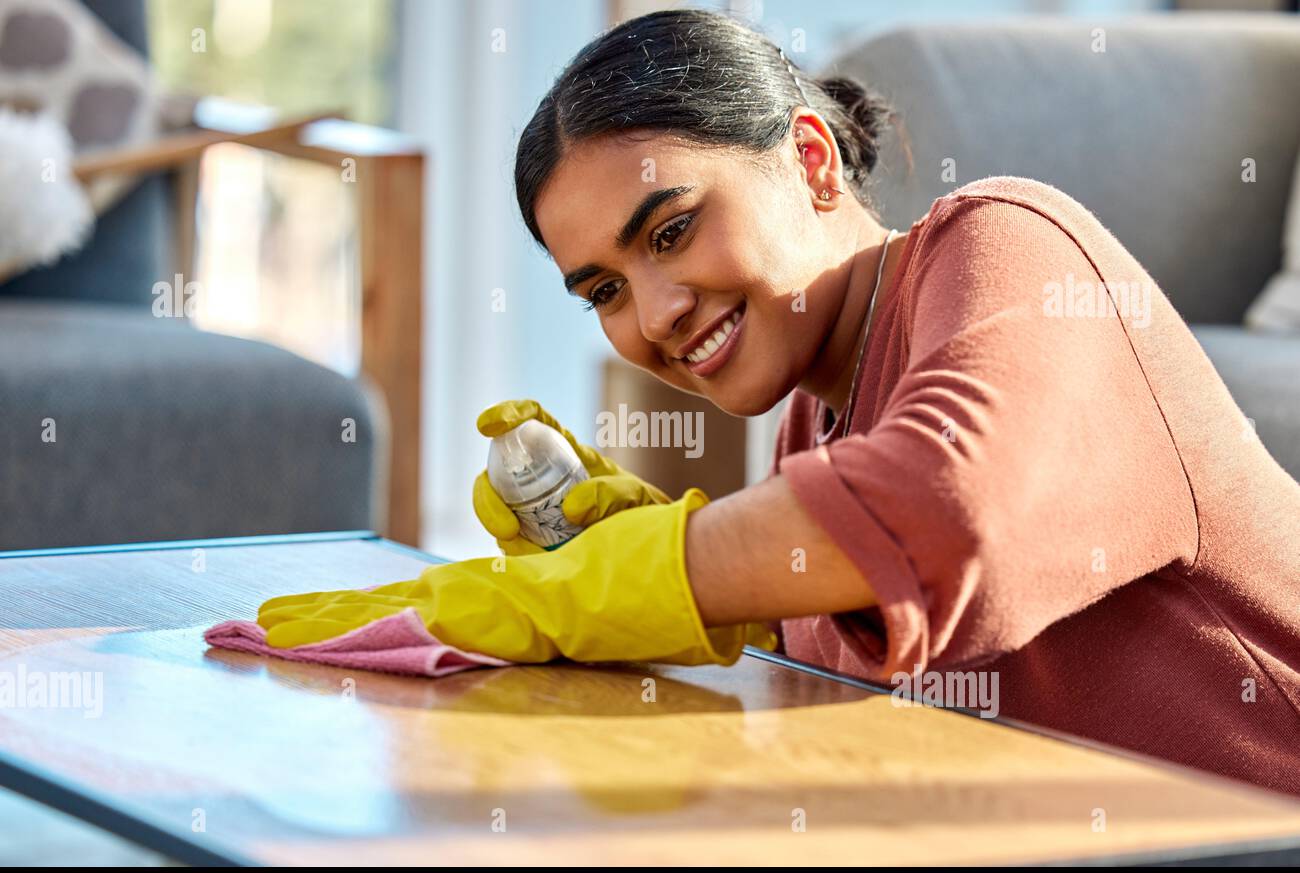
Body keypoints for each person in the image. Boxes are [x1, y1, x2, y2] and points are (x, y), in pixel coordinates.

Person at [258, 9, 1300, 799]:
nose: (656, 313)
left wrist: (612, 582)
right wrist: (674, 569)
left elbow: (945, 511)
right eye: (605, 291)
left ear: (807, 159)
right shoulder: (813, 413)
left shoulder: (1014, 242)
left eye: (669, 232)